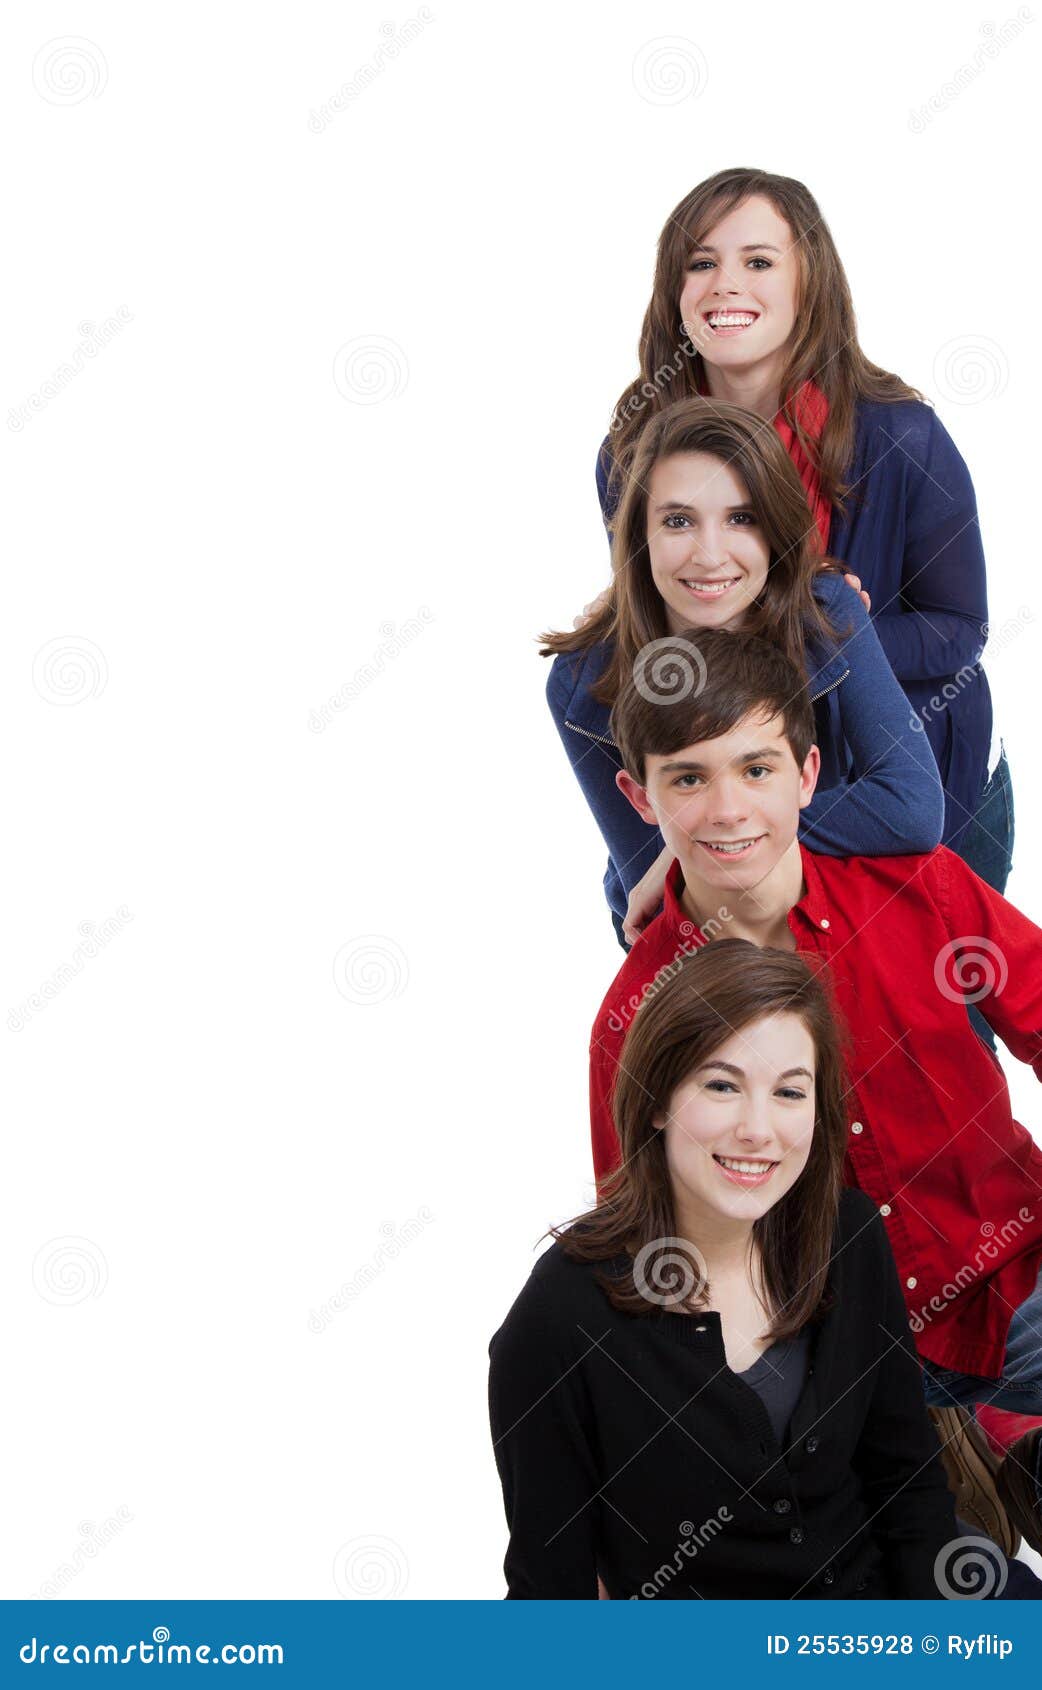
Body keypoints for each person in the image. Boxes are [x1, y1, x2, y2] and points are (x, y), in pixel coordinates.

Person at [587, 625, 1042, 1552]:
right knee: (940, 1595)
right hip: (847, 1368)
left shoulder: (923, 887)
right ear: (640, 798)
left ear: (807, 774)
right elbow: (648, 1256)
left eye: (756, 769)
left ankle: (1011, 1438)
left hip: (1018, 1284)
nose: (727, 810)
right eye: (688, 778)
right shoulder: (638, 1019)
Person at [490, 942, 1009, 1599]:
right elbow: (548, 1597)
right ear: (656, 1099)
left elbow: (906, 1487)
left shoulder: (849, 1234)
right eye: (722, 1085)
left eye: (789, 1092)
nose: (758, 1130)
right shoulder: (559, 1316)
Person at [591, 168, 1010, 908]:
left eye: (758, 261)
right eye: (700, 262)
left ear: (808, 281)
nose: (726, 284)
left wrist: (831, 632)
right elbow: (659, 616)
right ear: (673, 289)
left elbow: (959, 630)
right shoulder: (632, 454)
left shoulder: (903, 437)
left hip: (910, 787)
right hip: (733, 796)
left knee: (921, 984)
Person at [543, 398, 943, 948]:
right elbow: (650, 896)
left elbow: (911, 806)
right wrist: (688, 858)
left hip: (834, 906)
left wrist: (694, 849)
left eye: (740, 518)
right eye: (678, 521)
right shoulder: (583, 681)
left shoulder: (824, 612)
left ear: (774, 529)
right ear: (639, 536)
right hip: (705, 948)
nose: (710, 556)